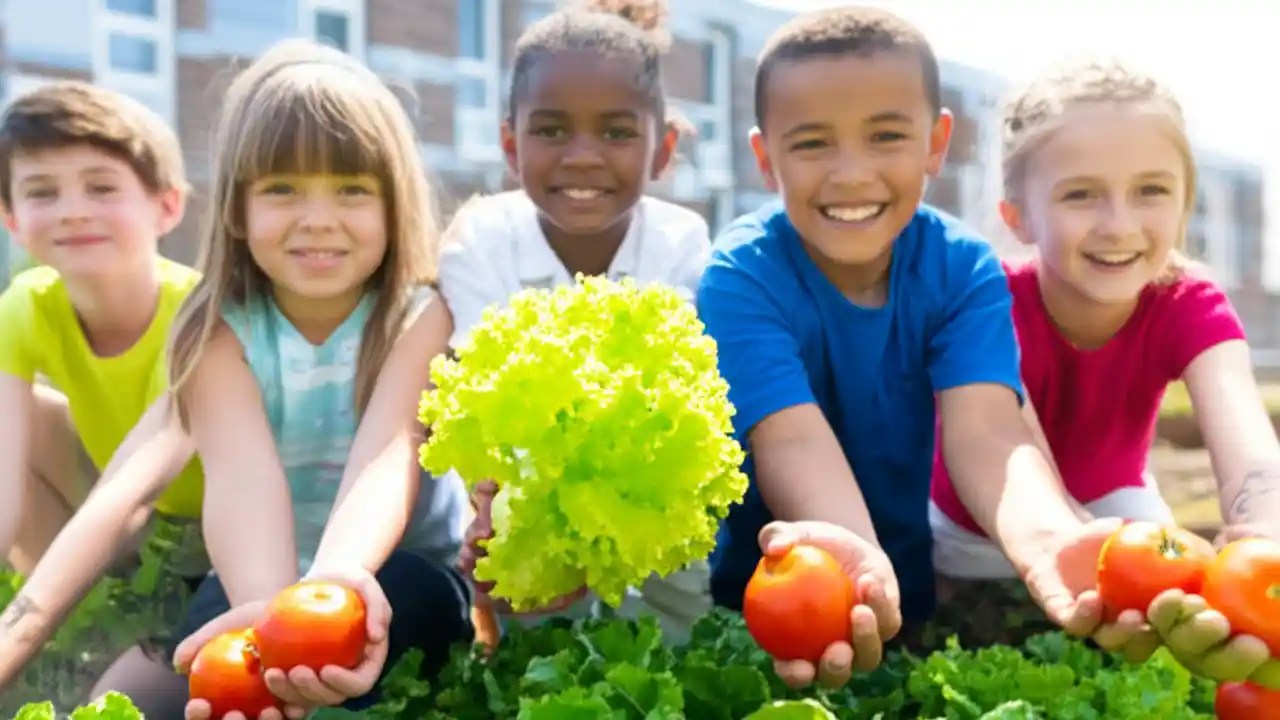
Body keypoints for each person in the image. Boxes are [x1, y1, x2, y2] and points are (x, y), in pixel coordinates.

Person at [697, 6, 1156, 691]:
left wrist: (1052, 543)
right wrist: (855, 564)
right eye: (813, 144)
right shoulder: (739, 275)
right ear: (766, 159)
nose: (852, 175)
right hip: (769, 603)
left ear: (936, 142)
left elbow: (990, 433)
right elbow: (789, 437)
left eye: (886, 136)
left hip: (908, 591)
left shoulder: (962, 267)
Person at [929, 57, 1280, 688]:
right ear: (1018, 217)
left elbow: (1245, 435)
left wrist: (1264, 535)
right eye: (1080, 194)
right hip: (969, 533)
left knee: (1176, 650)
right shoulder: (987, 298)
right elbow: (1010, 449)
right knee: (945, 657)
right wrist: (1068, 537)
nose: (1118, 224)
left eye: (1151, 190)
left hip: (1118, 513)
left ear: (1184, 204)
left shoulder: (1189, 302)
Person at [161, 39, 472, 718]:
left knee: (410, 599)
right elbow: (241, 478)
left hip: (388, 571)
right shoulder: (216, 329)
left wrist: (334, 586)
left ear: (395, 207)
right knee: (215, 631)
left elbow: (388, 450)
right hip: (264, 574)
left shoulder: (419, 315)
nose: (319, 219)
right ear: (237, 210)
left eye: (352, 191)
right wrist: (274, 625)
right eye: (282, 189)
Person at [446, 0, 713, 644]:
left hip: (648, 514)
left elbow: (673, 414)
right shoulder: (480, 241)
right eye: (552, 131)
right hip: (526, 505)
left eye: (618, 133)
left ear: (662, 150)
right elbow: (480, 407)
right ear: (511, 144)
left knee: (672, 635)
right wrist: (491, 514)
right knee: (535, 656)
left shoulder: (682, 244)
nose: (584, 157)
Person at [0, 81, 207, 712]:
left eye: (101, 187)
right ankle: (80, 615)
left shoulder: (197, 310)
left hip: (212, 540)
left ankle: (70, 624)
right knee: (29, 413)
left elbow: (132, 494)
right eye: (42, 192)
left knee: (125, 697)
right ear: (10, 218)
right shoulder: (26, 308)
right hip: (122, 529)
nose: (72, 211)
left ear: (167, 207)